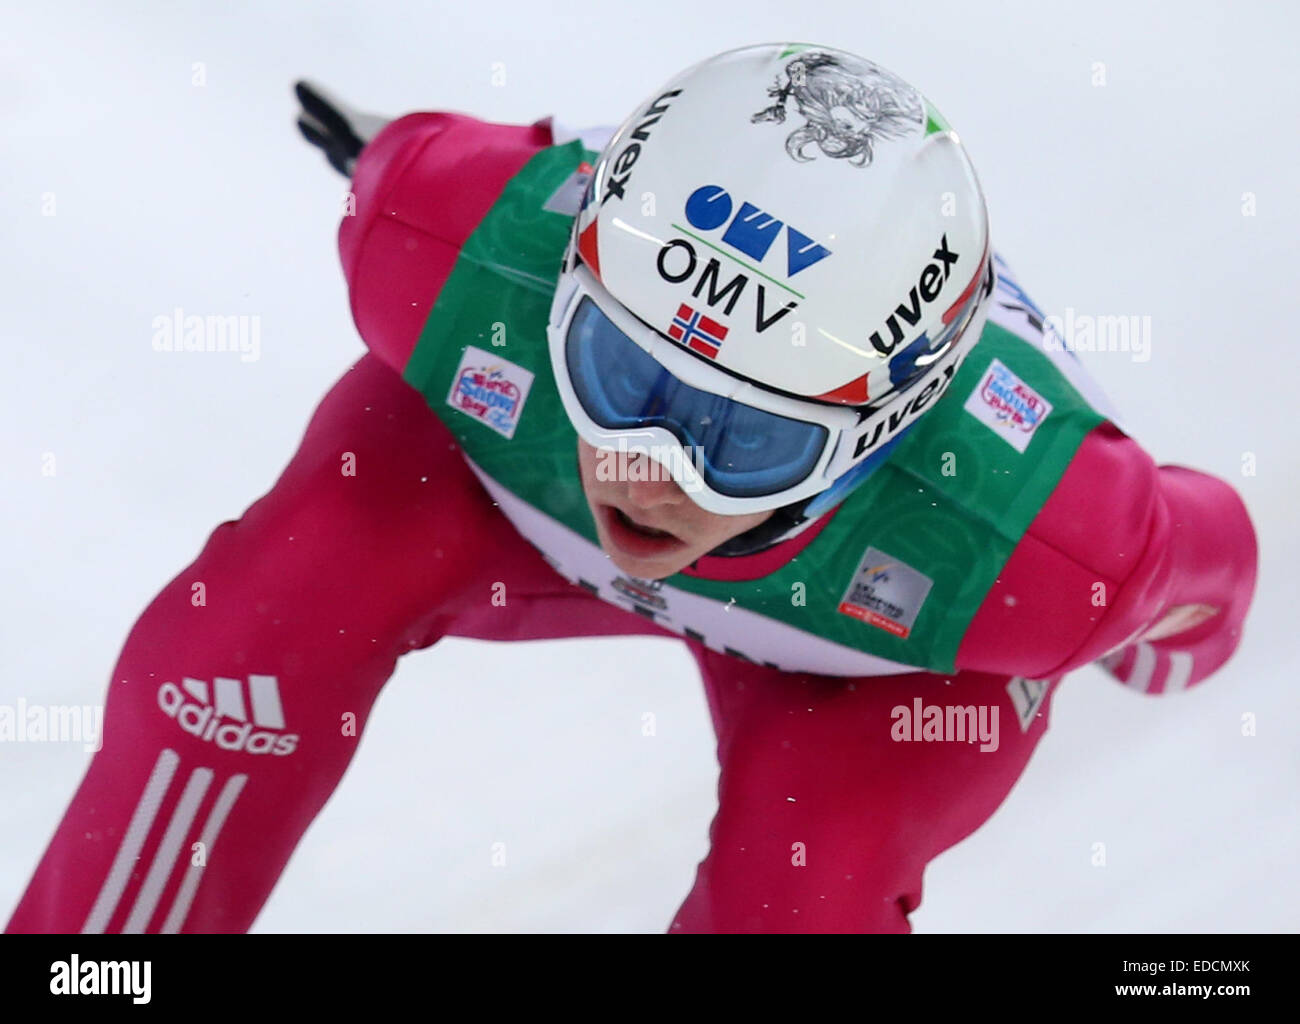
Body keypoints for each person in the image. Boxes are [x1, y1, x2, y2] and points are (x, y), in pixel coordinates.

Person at [6, 43, 1257, 934]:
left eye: (742, 436)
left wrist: (1151, 636)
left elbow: (1196, 563)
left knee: (798, 895)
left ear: (878, 433)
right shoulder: (444, 244)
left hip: (879, 649)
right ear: (562, 281)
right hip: (691, 552)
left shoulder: (1050, 553)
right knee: (243, 642)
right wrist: (1166, 641)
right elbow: (412, 169)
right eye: (618, 368)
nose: (644, 469)